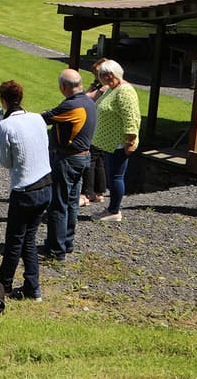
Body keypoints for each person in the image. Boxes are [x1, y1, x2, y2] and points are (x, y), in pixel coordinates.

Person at [0, 80, 52, 301]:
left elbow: (6, 162)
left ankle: (3, 286)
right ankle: (32, 287)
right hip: (46, 184)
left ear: (3, 100)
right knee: (29, 238)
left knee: (14, 240)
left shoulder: (5, 126)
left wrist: (0, 145)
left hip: (24, 189)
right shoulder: (37, 118)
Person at [40, 69, 96, 262]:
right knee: (72, 202)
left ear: (63, 87)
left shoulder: (71, 105)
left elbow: (45, 118)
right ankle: (67, 242)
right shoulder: (88, 102)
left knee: (58, 204)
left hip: (67, 159)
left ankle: (56, 249)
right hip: (83, 158)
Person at [91, 60, 140, 223]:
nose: (106, 77)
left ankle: (114, 211)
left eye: (109, 74)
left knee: (116, 178)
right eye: (102, 74)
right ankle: (112, 207)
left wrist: (130, 142)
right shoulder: (111, 89)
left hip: (119, 143)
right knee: (112, 177)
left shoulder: (124, 91)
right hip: (109, 143)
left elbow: (131, 118)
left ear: (117, 73)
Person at [81, 58, 110, 207]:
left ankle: (88, 193)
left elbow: (86, 99)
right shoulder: (102, 86)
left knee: (91, 159)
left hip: (97, 126)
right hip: (99, 126)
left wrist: (94, 87)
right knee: (99, 160)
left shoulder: (104, 88)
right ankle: (99, 192)